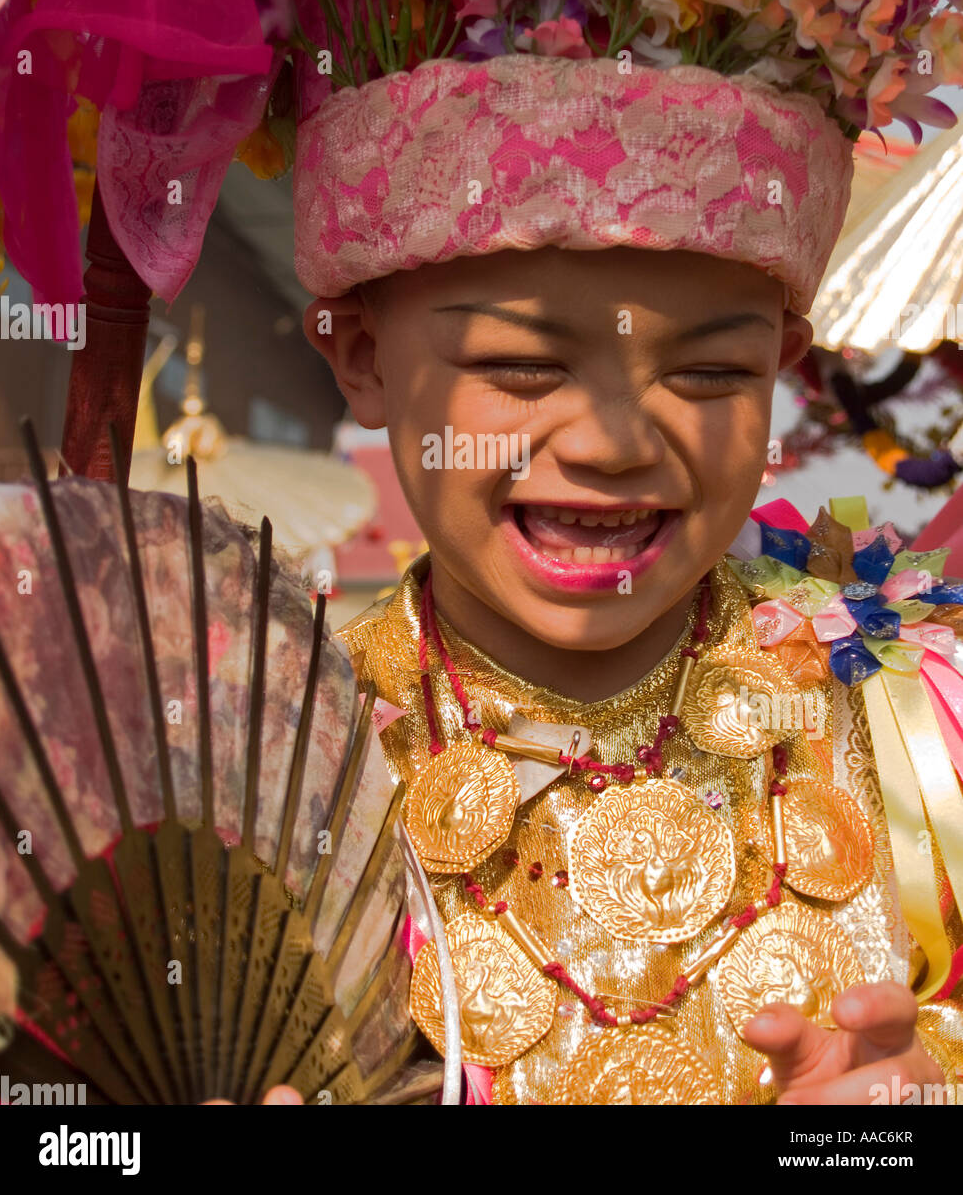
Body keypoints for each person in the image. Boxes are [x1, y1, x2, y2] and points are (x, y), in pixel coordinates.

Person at [292, 53, 963, 1105]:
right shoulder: (281, 774)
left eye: (705, 373)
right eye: (521, 366)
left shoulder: (911, 728)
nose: (611, 444)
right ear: (363, 354)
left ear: (781, 366)